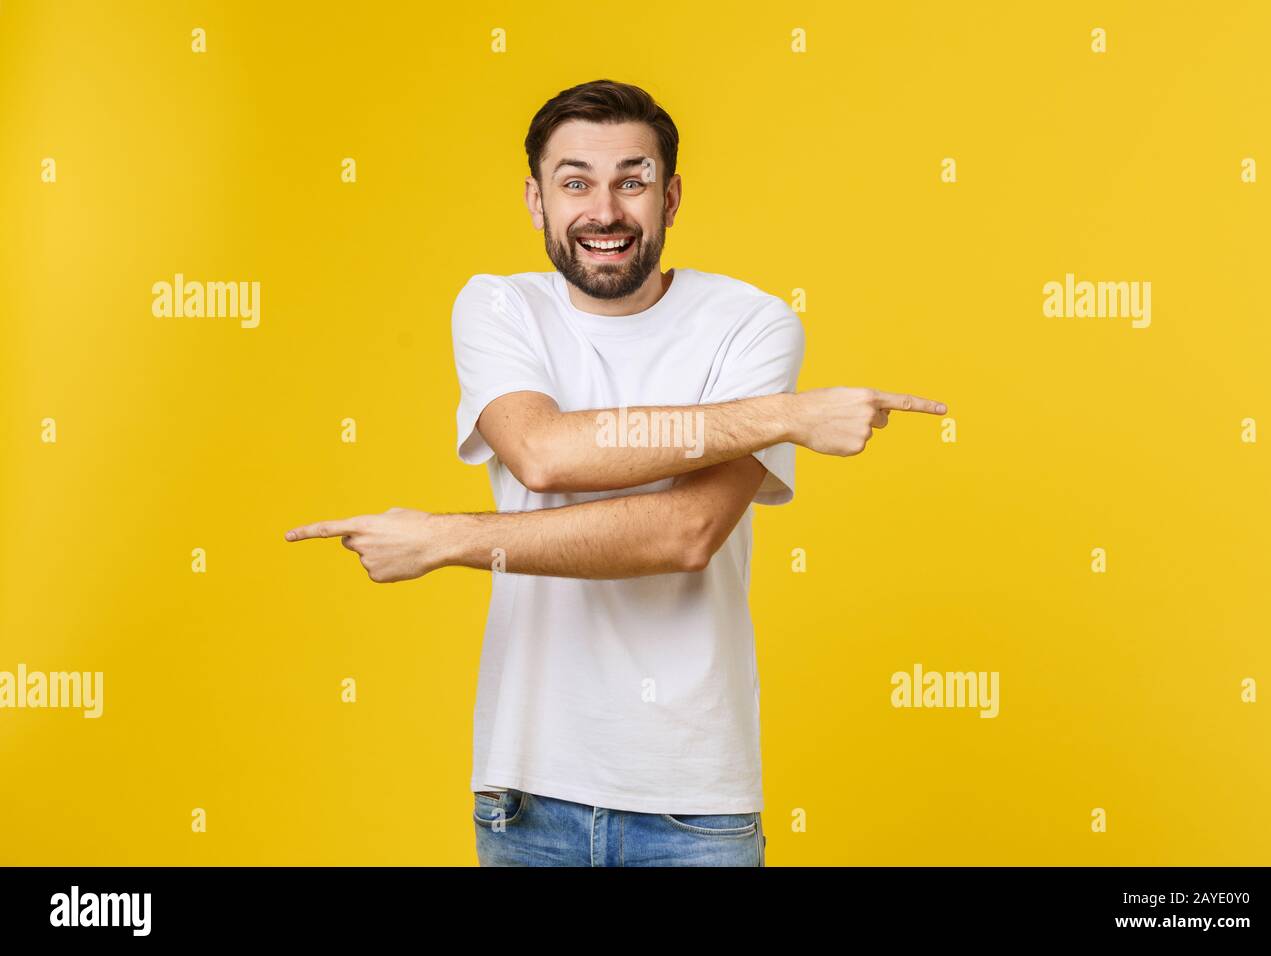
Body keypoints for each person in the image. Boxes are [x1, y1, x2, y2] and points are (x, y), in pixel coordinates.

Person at [284, 79, 947, 866]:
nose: (605, 211)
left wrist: (443, 539)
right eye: (576, 183)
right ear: (536, 200)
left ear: (670, 196)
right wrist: (785, 417)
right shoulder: (499, 309)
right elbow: (544, 452)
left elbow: (685, 533)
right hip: (526, 794)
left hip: (693, 804)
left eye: (632, 181)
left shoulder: (752, 324)